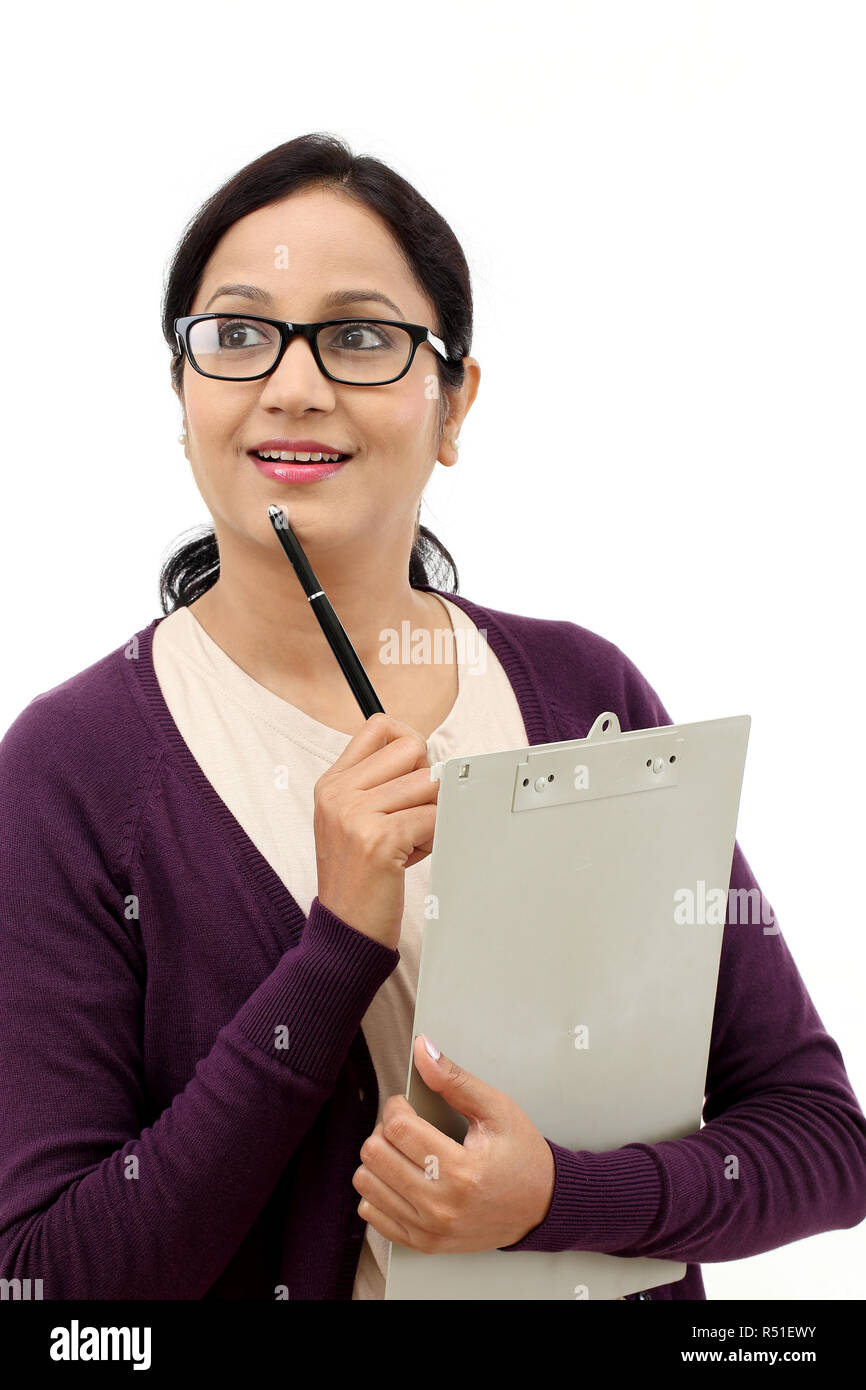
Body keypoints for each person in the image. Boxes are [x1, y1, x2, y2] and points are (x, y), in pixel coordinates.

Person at [1, 132, 864, 1303]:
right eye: (238, 334)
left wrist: (556, 1197)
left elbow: (820, 1143)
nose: (291, 385)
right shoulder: (71, 768)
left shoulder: (584, 699)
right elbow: (48, 1288)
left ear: (452, 402)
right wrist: (334, 950)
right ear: (182, 397)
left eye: (360, 336)